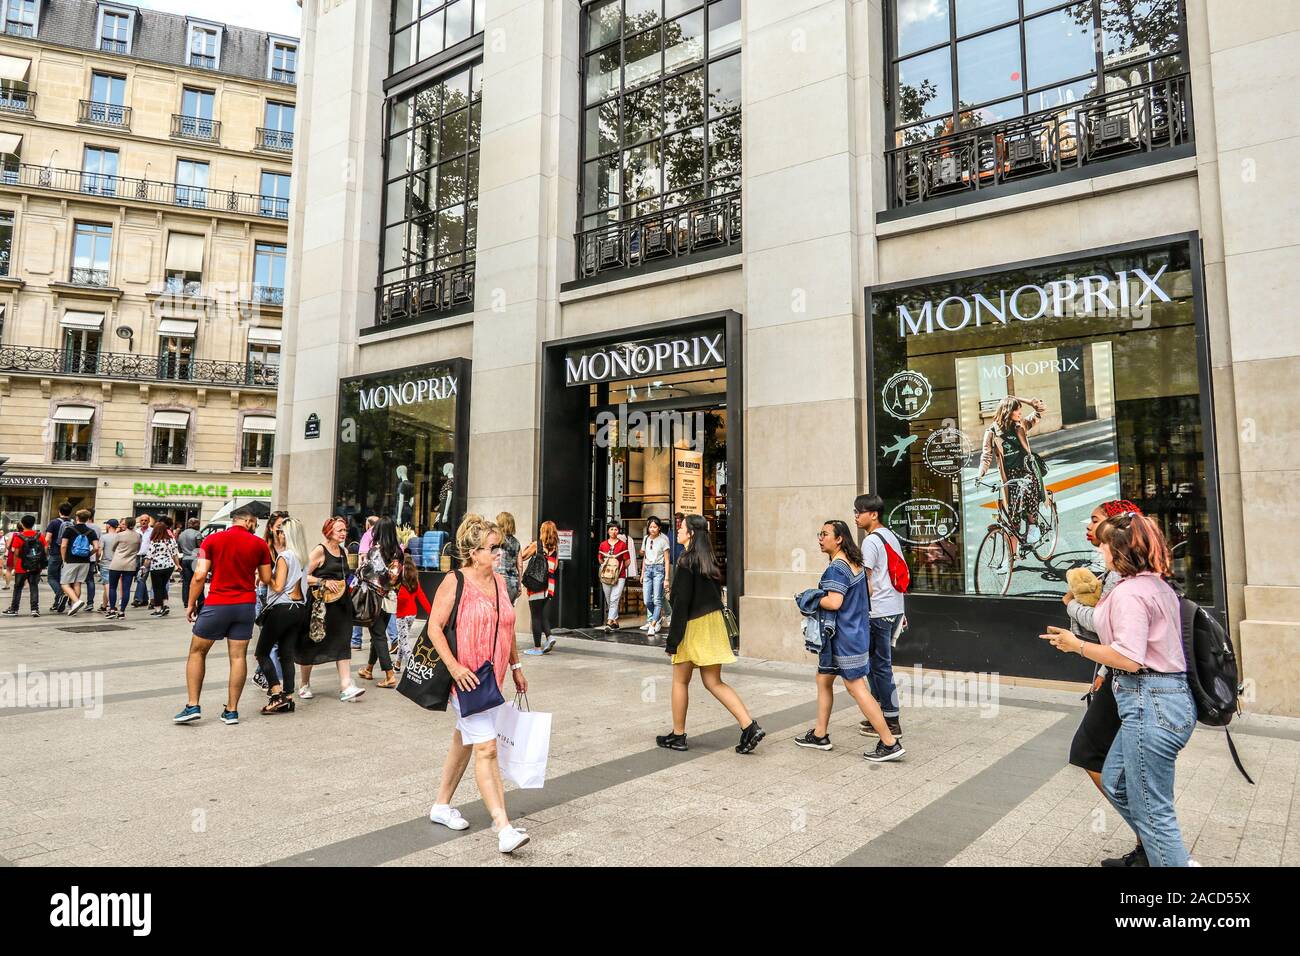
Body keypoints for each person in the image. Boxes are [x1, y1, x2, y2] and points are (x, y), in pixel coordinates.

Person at [1041, 512, 1194, 867]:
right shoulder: (1153, 585)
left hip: (1150, 700)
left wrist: (1075, 644)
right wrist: (1076, 607)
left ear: (1118, 550)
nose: (1101, 550)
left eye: (1106, 544)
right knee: (1115, 781)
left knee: (1154, 810)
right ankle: (1158, 854)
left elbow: (1128, 657)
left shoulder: (1131, 594)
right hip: (1157, 699)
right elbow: (1104, 622)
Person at [426, 515, 530, 854]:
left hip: (491, 679)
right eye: (493, 547)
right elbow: (434, 628)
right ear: (473, 552)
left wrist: (515, 665)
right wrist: (455, 668)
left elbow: (507, 626)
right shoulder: (455, 581)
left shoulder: (500, 582)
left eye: (499, 546)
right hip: (466, 680)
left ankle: (441, 805)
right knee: (486, 747)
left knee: (465, 738)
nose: (500, 552)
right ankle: (503, 826)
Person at [1062, 499, 1148, 866]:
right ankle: (1151, 842)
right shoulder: (1140, 579)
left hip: (1127, 681)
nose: (1092, 533)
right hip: (1120, 678)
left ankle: (1153, 840)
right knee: (1108, 762)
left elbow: (1111, 633)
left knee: (1092, 753)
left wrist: (1071, 615)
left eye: (1097, 525)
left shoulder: (1125, 582)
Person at [793, 520, 905, 761]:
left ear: (839, 538)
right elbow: (870, 591)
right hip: (851, 634)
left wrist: (808, 597)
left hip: (844, 636)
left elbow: (834, 602)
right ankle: (820, 734)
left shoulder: (837, 567)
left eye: (824, 534)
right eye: (819, 533)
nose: (820, 538)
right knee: (824, 679)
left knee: (856, 688)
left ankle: (889, 742)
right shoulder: (855, 563)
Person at [656, 513, 764, 755]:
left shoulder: (685, 562)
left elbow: (681, 605)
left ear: (691, 534)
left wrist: (672, 641)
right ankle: (749, 725)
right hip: (713, 624)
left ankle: (678, 734)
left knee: (680, 680)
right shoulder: (709, 560)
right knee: (714, 681)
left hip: (693, 625)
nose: (678, 531)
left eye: (681, 527)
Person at [174, 505, 273, 725]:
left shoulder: (212, 540)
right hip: (245, 605)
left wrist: (191, 603)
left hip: (217, 603)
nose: (255, 528)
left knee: (197, 652)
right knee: (238, 657)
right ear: (247, 521)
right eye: (255, 524)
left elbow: (199, 575)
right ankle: (231, 711)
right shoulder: (260, 545)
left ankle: (192, 705)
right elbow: (266, 578)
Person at [853, 494, 905, 740]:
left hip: (879, 611)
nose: (856, 516)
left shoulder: (871, 541)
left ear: (873, 514)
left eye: (859, 511)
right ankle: (881, 715)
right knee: (878, 665)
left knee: (879, 667)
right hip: (894, 607)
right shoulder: (890, 536)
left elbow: (867, 580)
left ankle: (891, 721)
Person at [299, 516, 366, 703]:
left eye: (345, 530)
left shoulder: (344, 551)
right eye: (340, 530)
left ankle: (346, 686)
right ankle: (304, 684)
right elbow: (303, 575)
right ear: (329, 532)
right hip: (320, 607)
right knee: (313, 643)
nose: (344, 533)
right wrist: (323, 581)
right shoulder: (319, 551)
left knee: (343, 642)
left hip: (341, 605)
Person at [976, 395, 1047, 564]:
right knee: (1012, 518)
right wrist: (980, 474)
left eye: (1020, 409)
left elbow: (1040, 410)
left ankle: (1033, 525)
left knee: (1028, 487)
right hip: (1009, 476)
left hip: (1027, 470)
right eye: (1016, 409)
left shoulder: (1021, 425)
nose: (1020, 412)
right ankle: (1010, 559)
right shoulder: (992, 433)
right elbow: (986, 456)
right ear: (1007, 411)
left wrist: (1023, 399)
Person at [256, 517, 310, 715]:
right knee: (286, 654)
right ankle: (288, 697)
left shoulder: (285, 556)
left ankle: (276, 694)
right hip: (298, 608)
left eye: (280, 532)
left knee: (261, 653)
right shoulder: (304, 557)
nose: (278, 535)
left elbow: (278, 586)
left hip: (281, 608)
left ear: (287, 534)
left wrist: (265, 577)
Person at [356, 516, 402, 689]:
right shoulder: (398, 551)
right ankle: (368, 669)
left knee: (378, 635)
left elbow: (364, 572)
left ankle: (389, 675)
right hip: (391, 597)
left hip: (375, 597)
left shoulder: (375, 550)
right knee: (379, 632)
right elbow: (396, 576)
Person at [519, 521, 559, 656]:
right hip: (550, 585)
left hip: (536, 584)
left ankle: (536, 648)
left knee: (535, 616)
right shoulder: (555, 548)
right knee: (543, 615)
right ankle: (549, 637)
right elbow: (555, 566)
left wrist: (525, 548)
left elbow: (522, 557)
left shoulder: (537, 545)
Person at [58, 509, 101, 615]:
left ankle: (76, 602)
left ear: (77, 518)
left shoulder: (69, 530)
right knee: (77, 583)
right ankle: (73, 607)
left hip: (71, 560)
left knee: (64, 583)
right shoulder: (91, 531)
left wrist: (64, 559)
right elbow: (96, 547)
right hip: (85, 561)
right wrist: (88, 554)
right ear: (87, 519)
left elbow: (63, 545)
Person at [393, 555, 431, 671]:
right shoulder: (415, 582)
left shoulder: (400, 583)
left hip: (402, 615)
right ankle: (397, 665)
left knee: (404, 642)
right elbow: (422, 597)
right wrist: (431, 612)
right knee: (402, 638)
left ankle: (413, 666)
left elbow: (400, 599)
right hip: (412, 614)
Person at [2, 515, 44, 617]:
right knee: (34, 587)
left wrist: (16, 567)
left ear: (22, 524)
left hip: (21, 566)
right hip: (35, 566)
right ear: (33, 524)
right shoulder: (40, 536)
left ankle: (14, 609)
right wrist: (40, 564)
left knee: (18, 588)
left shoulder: (18, 537)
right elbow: (44, 550)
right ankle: (35, 609)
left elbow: (15, 553)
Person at [104, 516, 142, 620]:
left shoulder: (119, 535)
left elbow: (112, 547)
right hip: (130, 565)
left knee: (112, 587)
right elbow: (138, 549)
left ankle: (112, 609)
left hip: (116, 563)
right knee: (126, 589)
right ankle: (122, 612)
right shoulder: (138, 536)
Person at [351, 515, 379, 650]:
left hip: (366, 579)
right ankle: (393, 638)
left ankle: (356, 640)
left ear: (368, 524)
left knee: (359, 604)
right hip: (380, 580)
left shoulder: (368, 535)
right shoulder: (384, 535)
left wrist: (359, 574)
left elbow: (361, 557)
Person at [597, 520, 631, 631]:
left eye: (616, 529)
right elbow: (600, 558)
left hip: (619, 576)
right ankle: (615, 621)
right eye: (611, 529)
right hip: (606, 576)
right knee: (609, 598)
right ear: (608, 531)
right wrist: (607, 566)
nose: (613, 531)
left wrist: (618, 570)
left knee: (614, 598)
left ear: (618, 531)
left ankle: (609, 622)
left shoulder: (622, 544)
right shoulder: (603, 544)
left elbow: (627, 561)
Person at [639, 515, 670, 636]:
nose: (652, 529)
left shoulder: (663, 540)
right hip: (647, 570)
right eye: (650, 527)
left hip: (659, 570)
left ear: (659, 528)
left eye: (655, 527)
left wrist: (667, 578)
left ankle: (652, 625)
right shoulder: (646, 539)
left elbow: (667, 560)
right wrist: (642, 574)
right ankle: (659, 618)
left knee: (657, 599)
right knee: (647, 600)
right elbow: (645, 557)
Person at [144, 518, 181, 617]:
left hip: (156, 567)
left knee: (157, 588)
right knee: (163, 586)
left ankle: (158, 609)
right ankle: (166, 605)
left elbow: (149, 557)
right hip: (169, 566)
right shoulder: (171, 540)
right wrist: (178, 565)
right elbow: (175, 554)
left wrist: (144, 567)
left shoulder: (154, 542)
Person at [44, 501, 73, 613]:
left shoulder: (54, 522)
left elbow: (47, 539)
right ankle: (57, 603)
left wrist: (45, 552)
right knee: (62, 579)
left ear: (59, 511)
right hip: (68, 554)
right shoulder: (73, 523)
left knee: (51, 577)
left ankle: (60, 595)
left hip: (55, 553)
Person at [495, 511, 521, 604]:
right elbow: (520, 565)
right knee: (507, 612)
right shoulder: (516, 542)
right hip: (513, 583)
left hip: (498, 580)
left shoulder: (497, 539)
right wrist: (519, 585)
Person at [96, 518, 119, 612]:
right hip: (117, 563)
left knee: (107, 584)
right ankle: (104, 605)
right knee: (111, 585)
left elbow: (99, 551)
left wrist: (97, 560)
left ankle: (112, 606)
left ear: (109, 526)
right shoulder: (119, 536)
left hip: (106, 563)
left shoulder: (104, 537)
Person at [177, 518, 202, 606]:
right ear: (193, 524)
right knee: (198, 580)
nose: (199, 526)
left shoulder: (181, 534)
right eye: (198, 524)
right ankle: (200, 600)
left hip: (185, 559)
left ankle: (186, 601)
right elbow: (200, 548)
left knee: (186, 582)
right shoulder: (197, 533)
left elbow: (179, 548)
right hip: (195, 559)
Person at [132, 514, 155, 607]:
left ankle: (138, 599)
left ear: (149, 521)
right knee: (141, 578)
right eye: (142, 520)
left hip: (148, 557)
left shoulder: (152, 531)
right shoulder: (136, 532)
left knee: (141, 577)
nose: (143, 522)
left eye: (145, 520)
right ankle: (145, 599)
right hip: (138, 556)